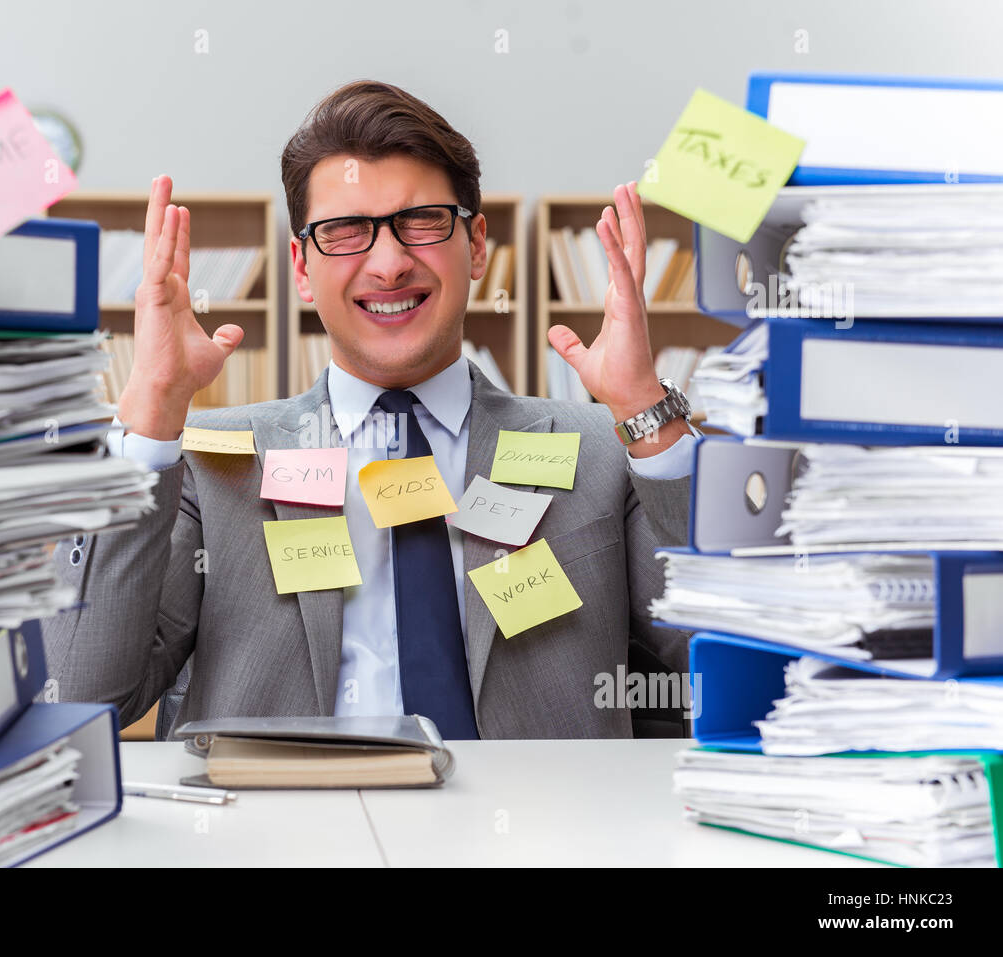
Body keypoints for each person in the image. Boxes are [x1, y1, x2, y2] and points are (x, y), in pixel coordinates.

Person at [43, 80, 698, 739]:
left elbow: (720, 676)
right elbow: (83, 695)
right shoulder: (209, 462)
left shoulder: (604, 450)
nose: (388, 264)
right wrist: (152, 418)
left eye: (420, 222)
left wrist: (648, 413)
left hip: (532, 839)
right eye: (347, 230)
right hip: (286, 837)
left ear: (476, 246)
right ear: (301, 266)